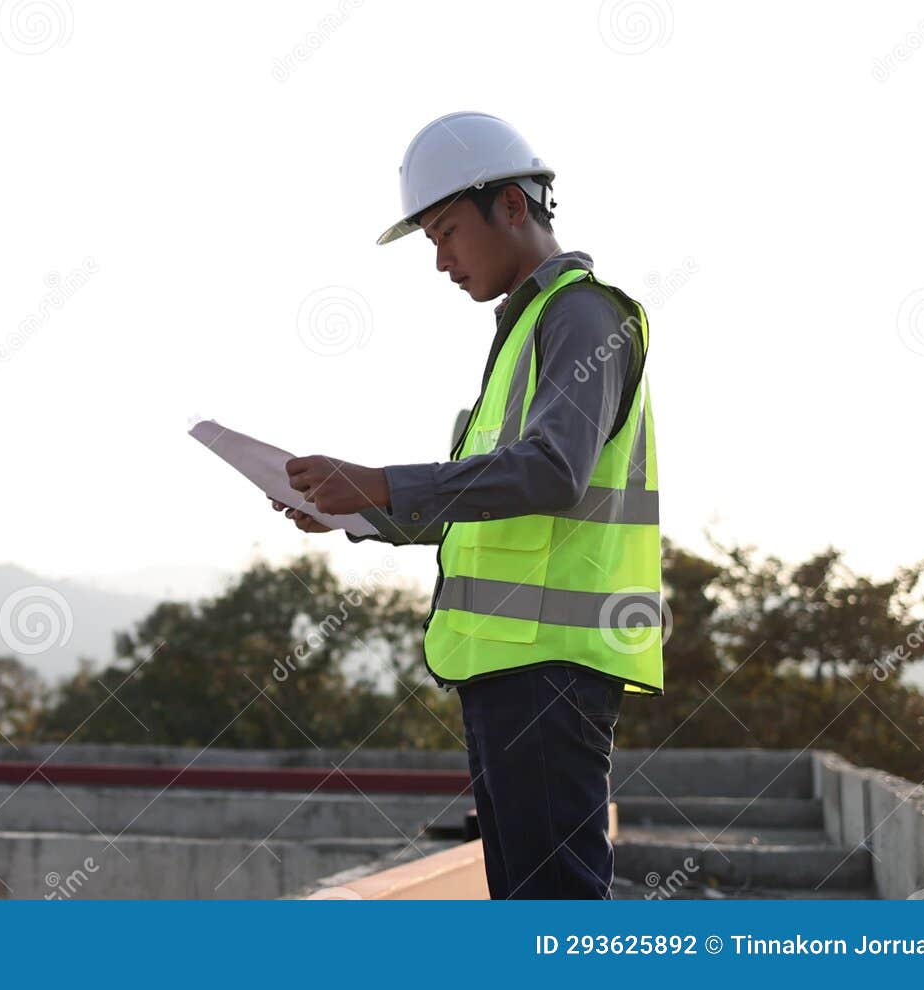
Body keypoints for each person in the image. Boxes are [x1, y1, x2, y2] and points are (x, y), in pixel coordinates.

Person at [274, 112, 664, 900]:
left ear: (513, 206)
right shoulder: (524, 331)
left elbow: (552, 473)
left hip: (549, 672)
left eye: (448, 232)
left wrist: (382, 480)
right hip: (503, 667)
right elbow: (489, 502)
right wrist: (359, 511)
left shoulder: (585, 315)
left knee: (556, 915)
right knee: (528, 911)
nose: (442, 260)